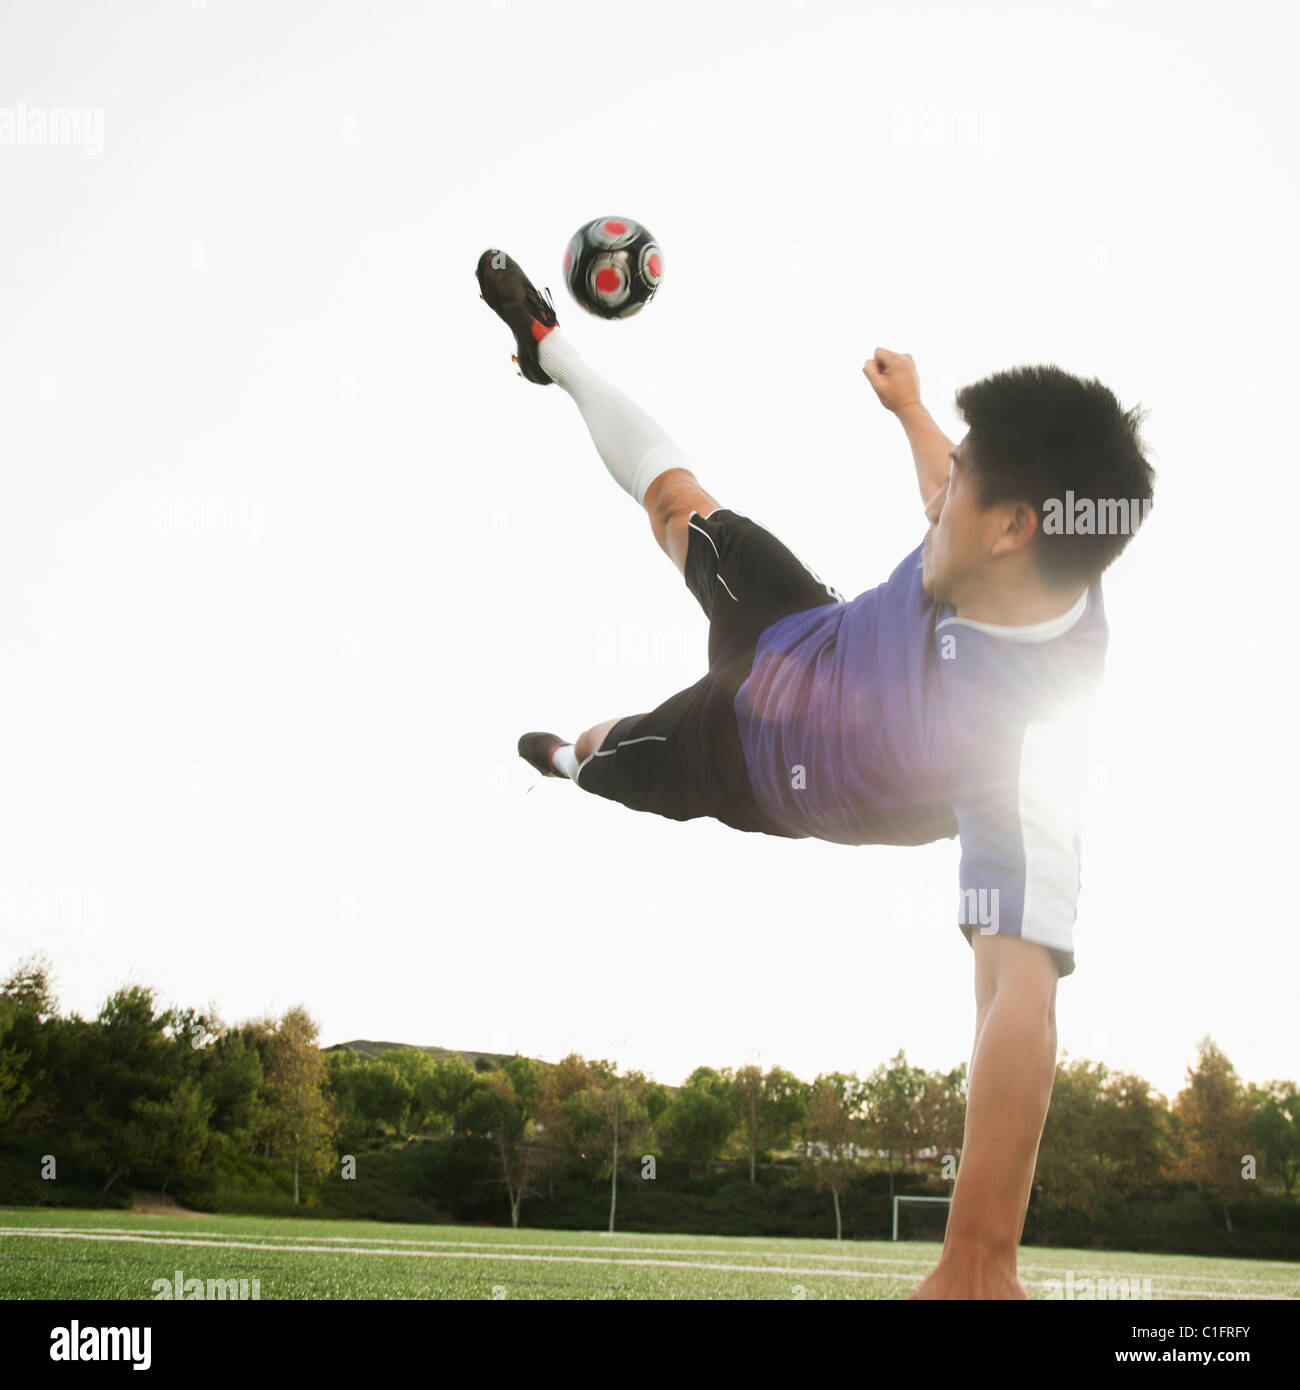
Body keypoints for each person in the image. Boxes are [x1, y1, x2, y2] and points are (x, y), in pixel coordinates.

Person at [476, 248, 1154, 1299]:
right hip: (802, 622)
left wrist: (977, 1257)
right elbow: (947, 485)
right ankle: (551, 348)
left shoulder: (1022, 746)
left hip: (751, 757)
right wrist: (913, 409)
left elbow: (1016, 989)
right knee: (675, 502)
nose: (942, 498)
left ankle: (566, 762)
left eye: (968, 482)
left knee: (615, 753)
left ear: (1016, 529)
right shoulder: (1005, 537)